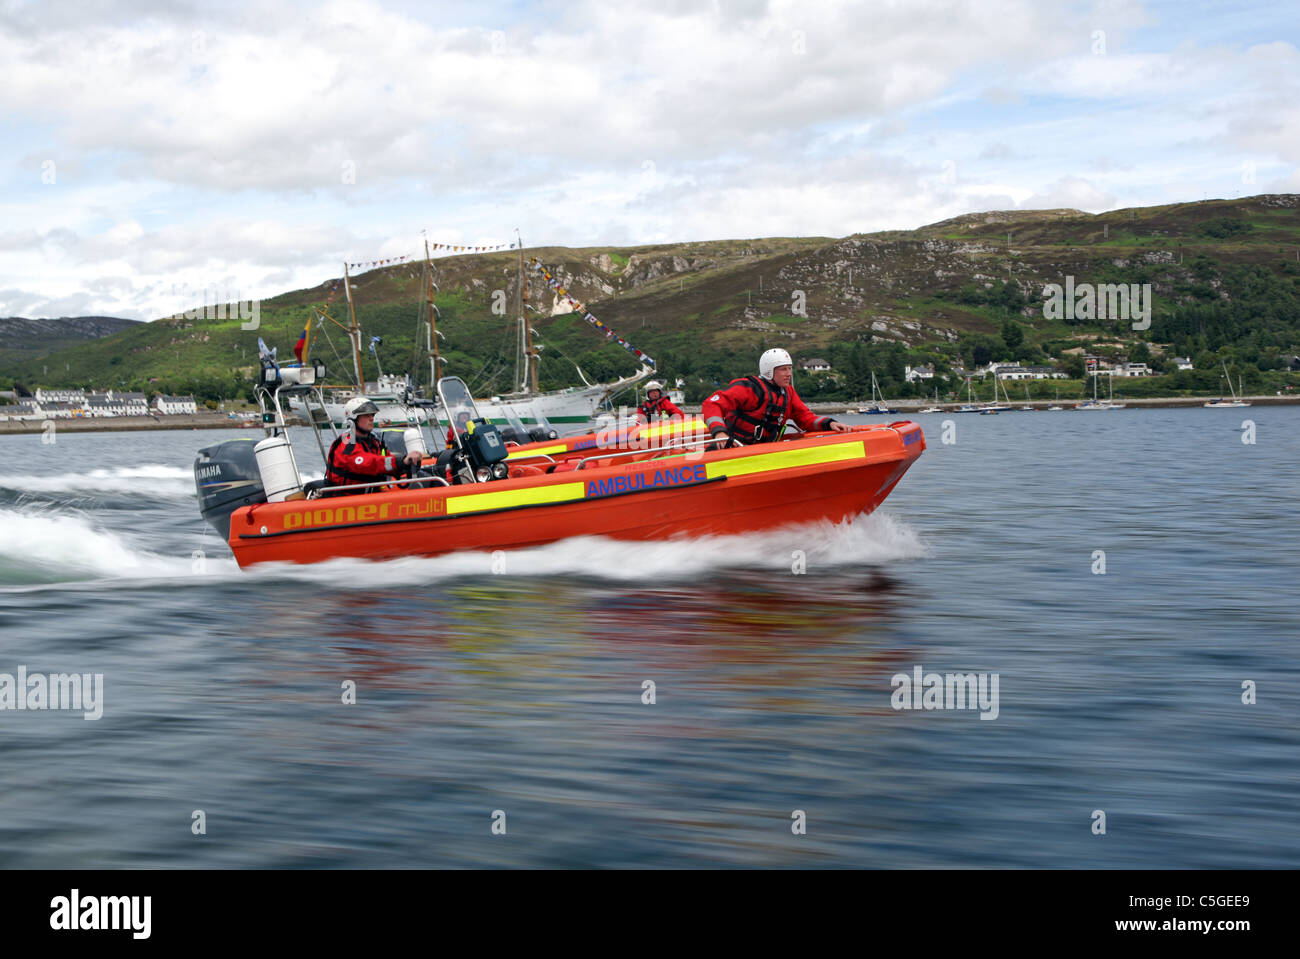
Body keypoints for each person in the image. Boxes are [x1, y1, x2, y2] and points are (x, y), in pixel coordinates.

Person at [702, 348, 851, 448]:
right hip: (733, 448)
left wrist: (829, 423)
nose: (789, 374)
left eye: (789, 368)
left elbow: (805, 418)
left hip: (764, 450)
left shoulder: (788, 393)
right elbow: (711, 405)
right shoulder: (748, 388)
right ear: (769, 371)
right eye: (783, 369)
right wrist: (719, 432)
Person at [325, 398, 423, 493]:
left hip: (371, 494)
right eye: (366, 415)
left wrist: (404, 465)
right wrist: (399, 461)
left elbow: (386, 461)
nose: (372, 418)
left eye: (372, 415)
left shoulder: (374, 441)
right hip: (348, 499)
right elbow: (368, 463)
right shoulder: (347, 442)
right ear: (353, 419)